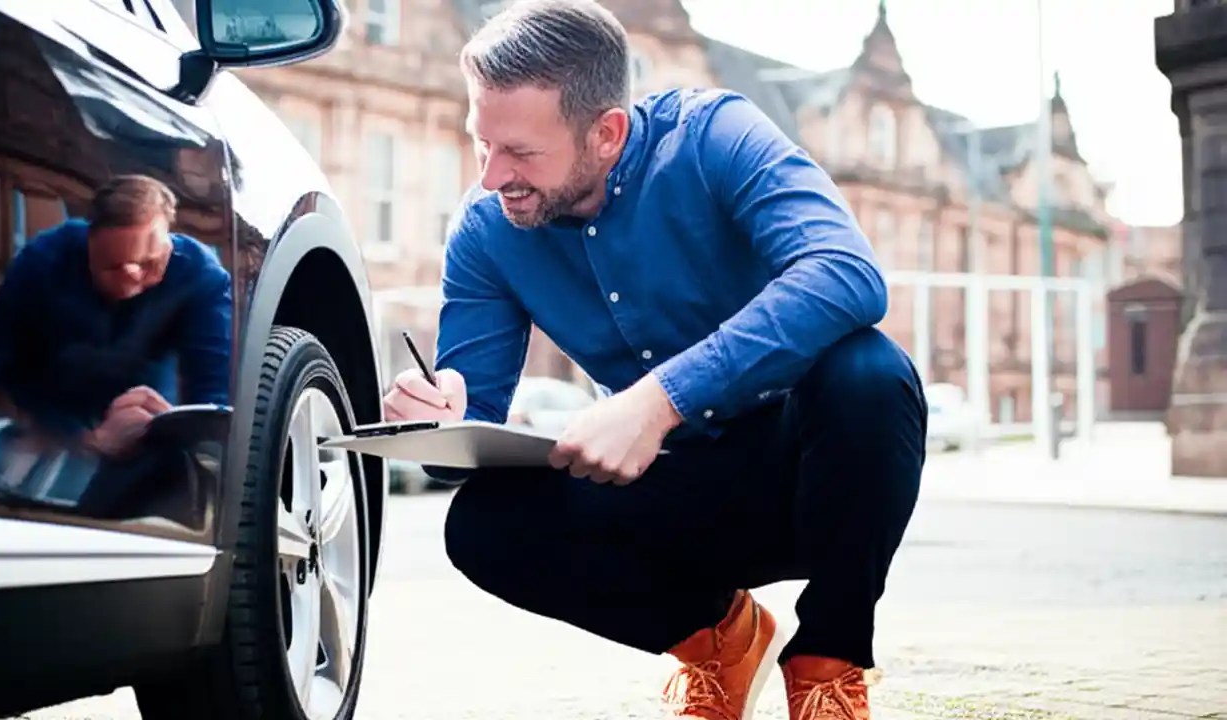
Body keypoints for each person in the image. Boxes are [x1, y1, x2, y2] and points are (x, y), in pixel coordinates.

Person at [382, 1, 926, 718]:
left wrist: (658, 397)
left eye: (520, 153)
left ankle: (829, 665)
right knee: (483, 524)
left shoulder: (715, 136)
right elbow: (470, 433)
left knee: (869, 373)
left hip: (814, 480)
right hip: (674, 495)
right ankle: (720, 642)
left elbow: (846, 272)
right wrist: (439, 421)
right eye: (482, 145)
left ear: (605, 133)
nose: (491, 176)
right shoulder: (487, 232)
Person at [0, 175, 232, 457]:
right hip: (42, 425)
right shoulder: (46, 257)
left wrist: (180, 428)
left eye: (149, 263)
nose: (131, 278)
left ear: (169, 238)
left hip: (144, 429)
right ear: (89, 239)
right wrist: (78, 437)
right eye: (113, 266)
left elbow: (214, 395)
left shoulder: (201, 277)